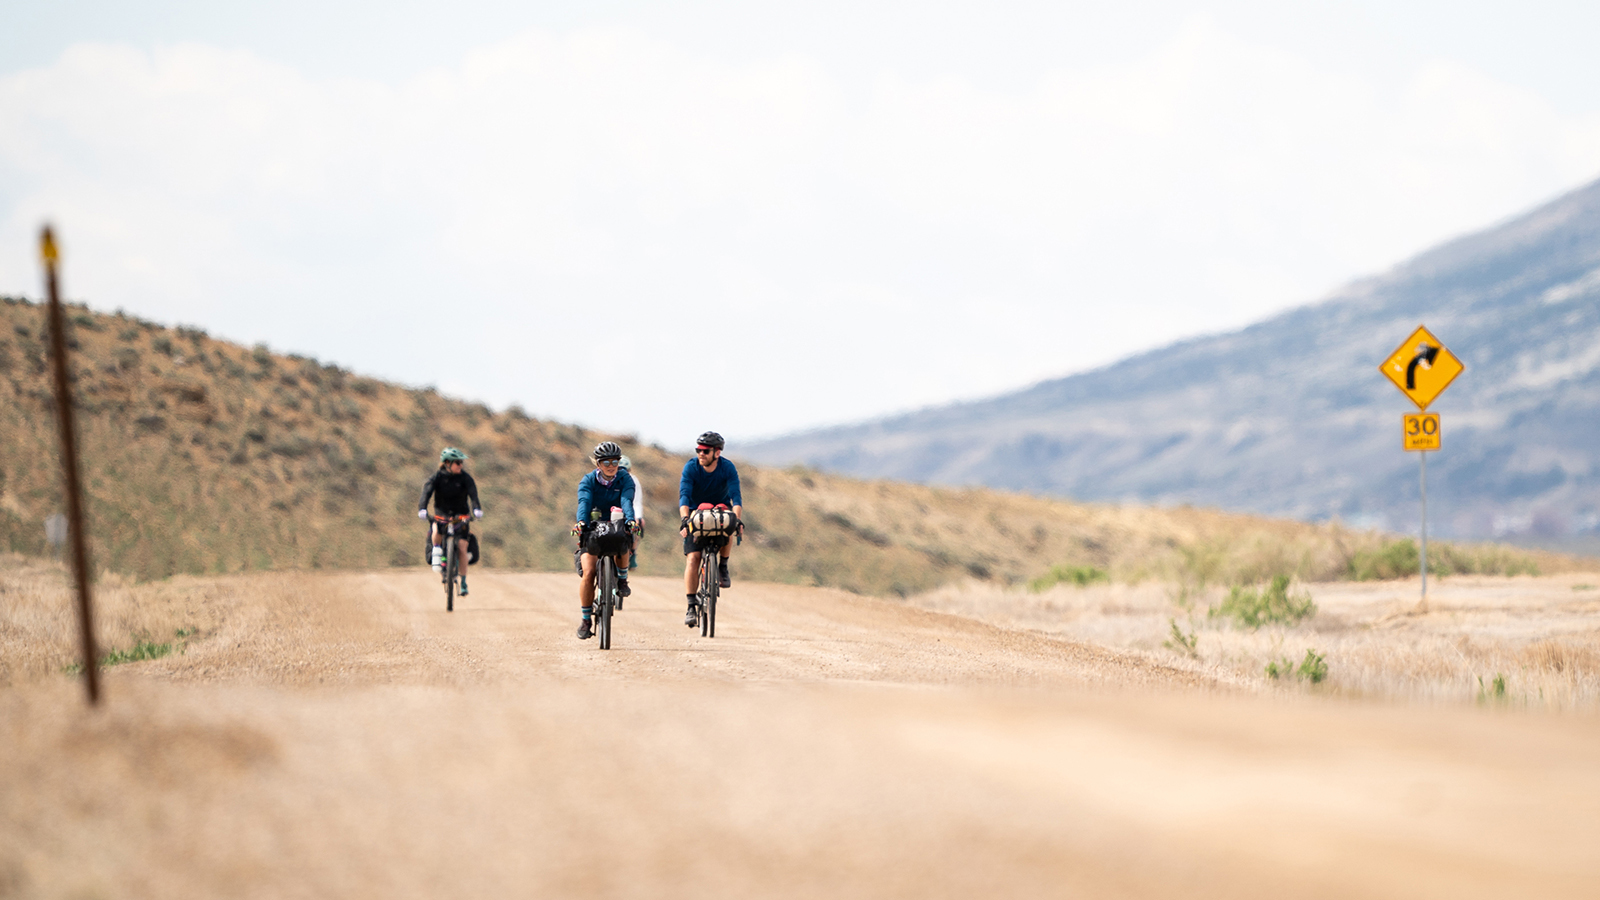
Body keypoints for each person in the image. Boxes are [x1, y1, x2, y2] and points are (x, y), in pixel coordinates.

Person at [572, 441, 638, 640]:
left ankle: (623, 579)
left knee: (626, 538)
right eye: (606, 461)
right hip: (593, 527)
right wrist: (581, 522)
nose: (611, 465)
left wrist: (630, 520)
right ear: (597, 464)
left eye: (615, 461)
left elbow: (627, 500)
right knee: (589, 572)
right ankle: (585, 620)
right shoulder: (588, 480)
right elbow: (584, 501)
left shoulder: (625, 479)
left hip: (617, 524)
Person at [678, 431, 742, 627]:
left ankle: (723, 566)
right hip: (696, 515)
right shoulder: (691, 467)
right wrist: (684, 519)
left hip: (721, 511)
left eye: (705, 451)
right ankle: (690, 606)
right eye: (698, 450)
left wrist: (737, 520)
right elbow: (684, 496)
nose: (701, 454)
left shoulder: (727, 467)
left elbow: (736, 497)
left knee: (730, 526)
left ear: (717, 453)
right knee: (694, 558)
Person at [417, 447, 483, 596]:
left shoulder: (465, 478)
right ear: (447, 463)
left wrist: (477, 508)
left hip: (461, 515)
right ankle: (438, 555)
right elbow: (426, 493)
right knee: (435, 531)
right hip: (442, 514)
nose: (461, 465)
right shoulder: (437, 478)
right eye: (457, 463)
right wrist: (422, 508)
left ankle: (464, 581)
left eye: (461, 463)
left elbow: (473, 495)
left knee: (462, 547)